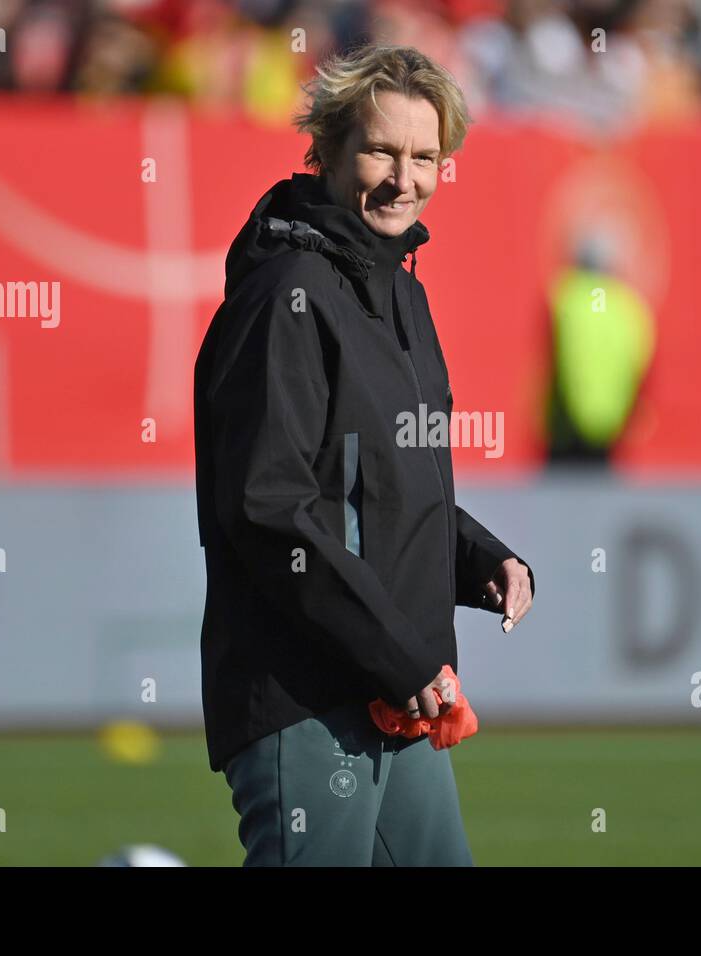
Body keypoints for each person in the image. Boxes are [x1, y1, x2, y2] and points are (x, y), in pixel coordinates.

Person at [193, 43, 535, 866]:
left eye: (425, 157)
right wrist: (400, 655)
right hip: (307, 699)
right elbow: (268, 509)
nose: (402, 178)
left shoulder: (404, 297)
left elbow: (387, 487)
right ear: (330, 149)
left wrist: (481, 558)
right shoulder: (286, 296)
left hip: (396, 696)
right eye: (382, 150)